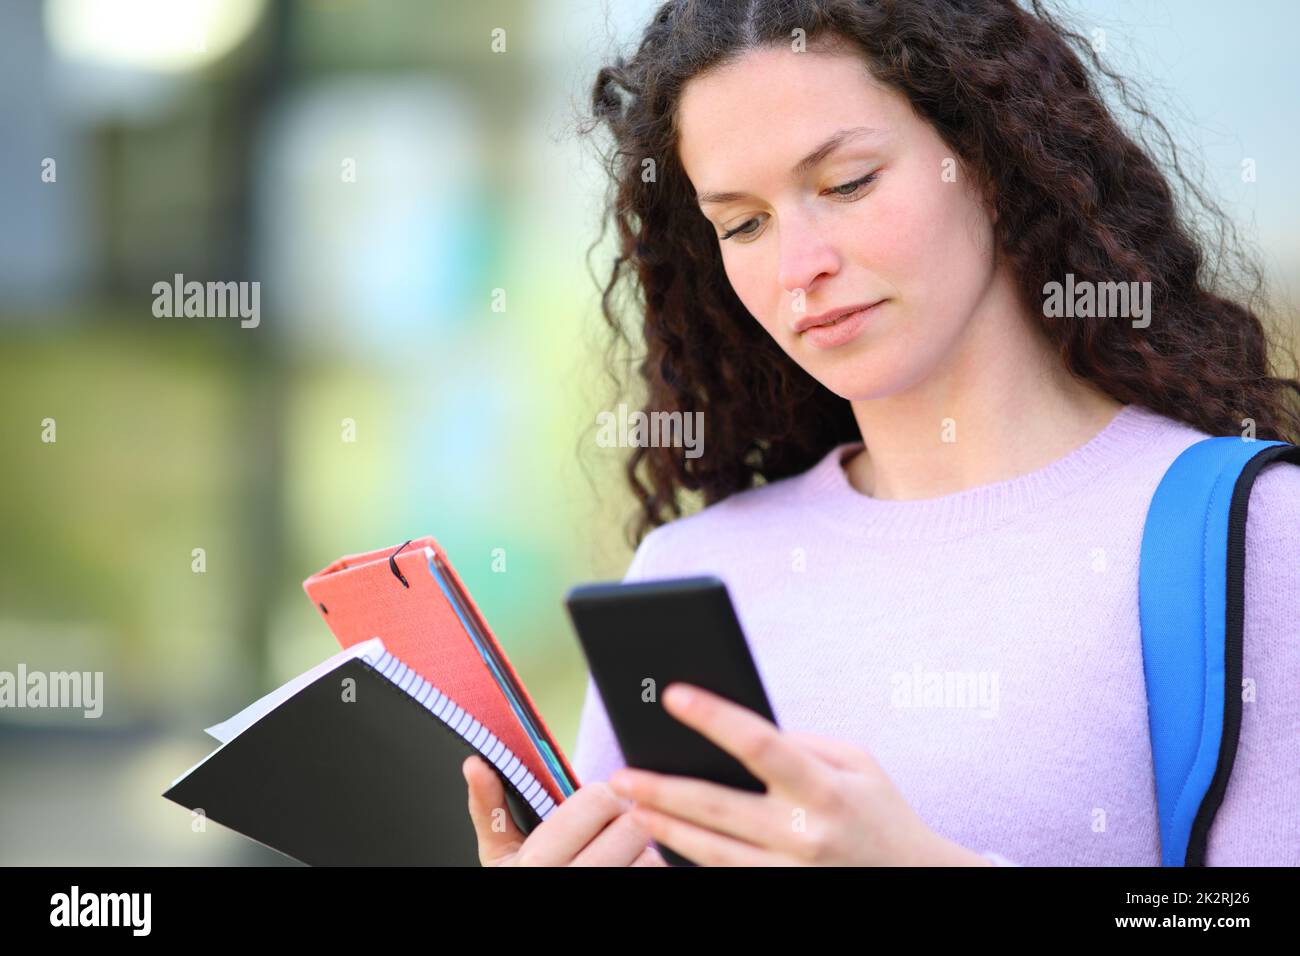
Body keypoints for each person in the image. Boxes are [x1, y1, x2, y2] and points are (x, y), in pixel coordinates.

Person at [463, 0, 1300, 866]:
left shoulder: (1250, 531)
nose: (800, 268)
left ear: (991, 155)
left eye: (848, 183)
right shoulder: (689, 573)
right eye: (743, 224)